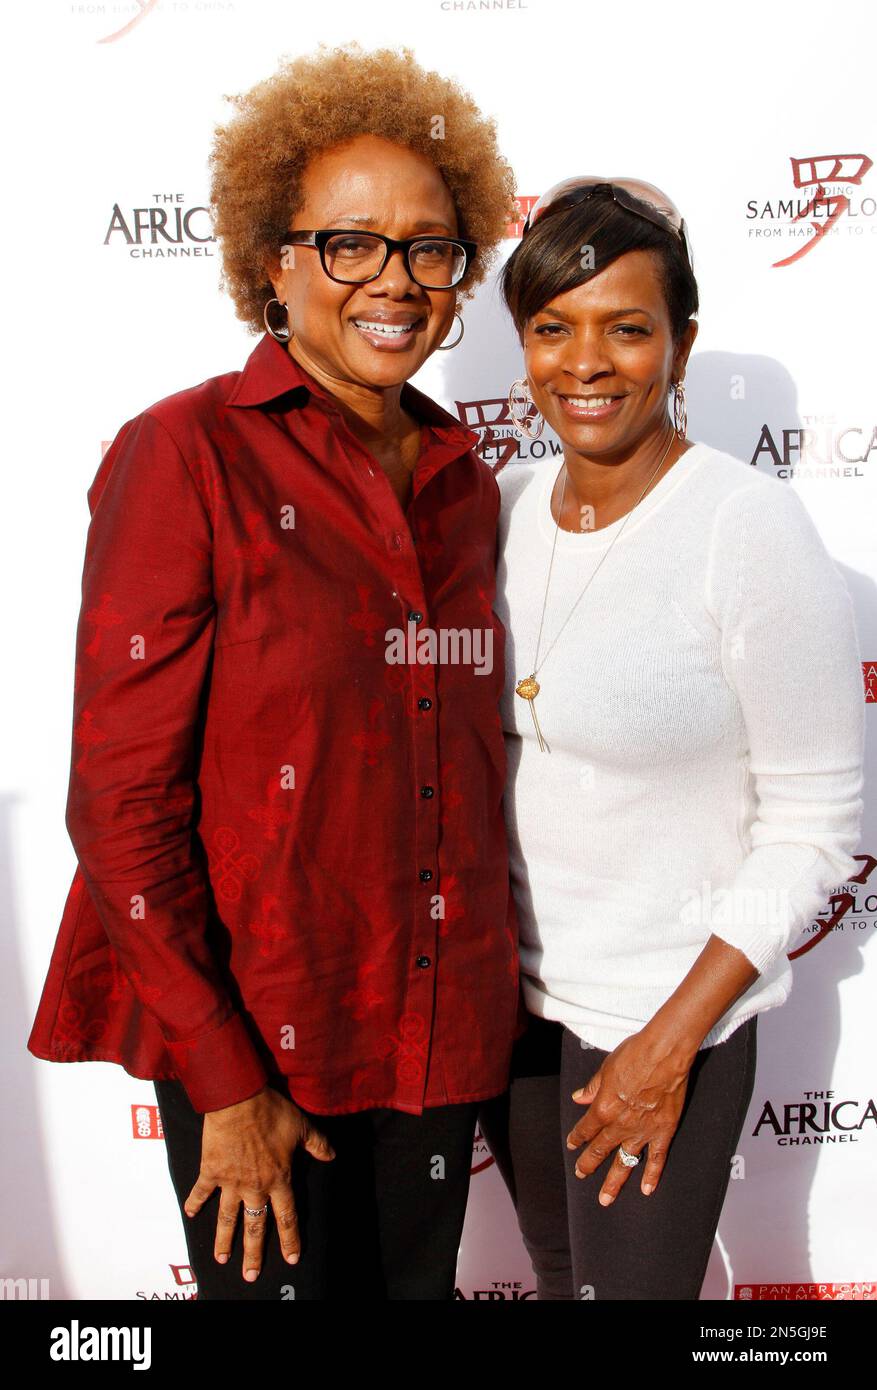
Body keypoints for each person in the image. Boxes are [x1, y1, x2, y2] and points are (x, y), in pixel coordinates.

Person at [27, 42, 521, 1300]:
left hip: (429, 1023)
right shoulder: (184, 454)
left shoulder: (464, 480)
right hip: (256, 1033)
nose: (393, 281)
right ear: (272, 264)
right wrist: (222, 1076)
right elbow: (120, 803)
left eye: (427, 247)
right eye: (349, 244)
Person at [479, 177, 866, 1300]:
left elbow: (814, 825)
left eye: (627, 327)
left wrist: (669, 1042)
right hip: (517, 1009)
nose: (586, 362)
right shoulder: (502, 506)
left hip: (660, 1015)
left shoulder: (744, 528)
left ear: (681, 344)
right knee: (560, 1276)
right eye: (553, 328)